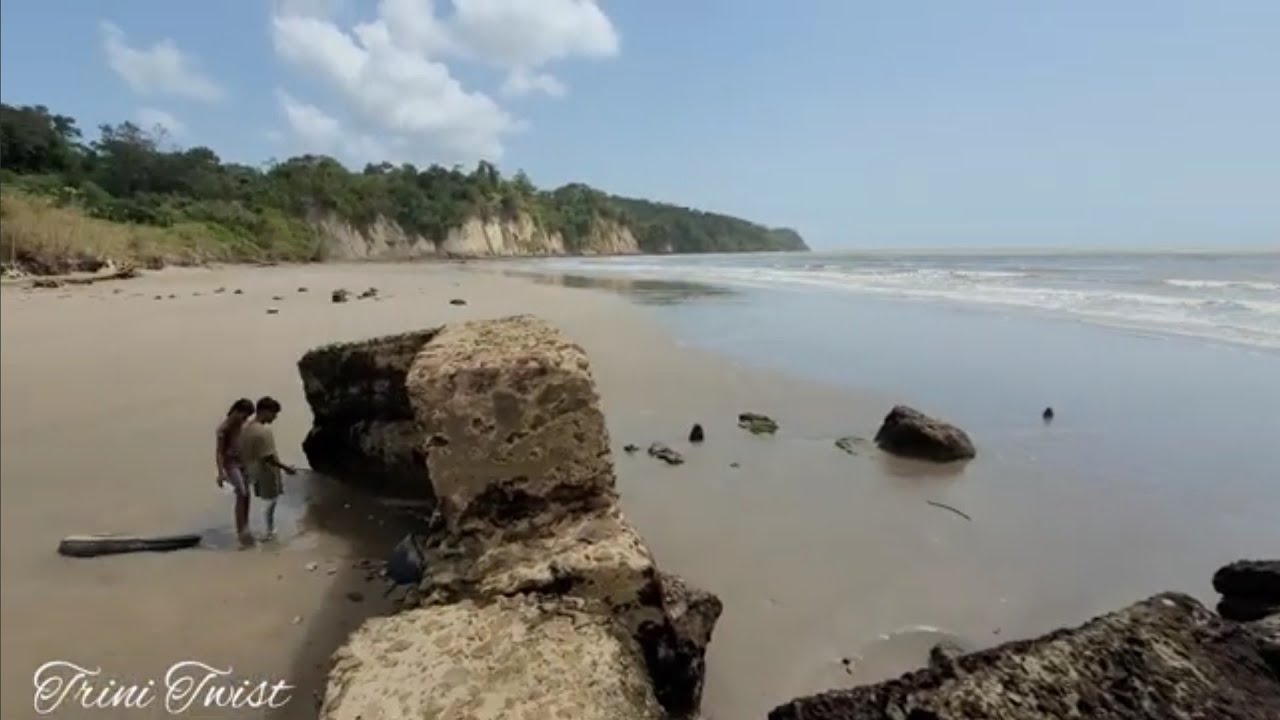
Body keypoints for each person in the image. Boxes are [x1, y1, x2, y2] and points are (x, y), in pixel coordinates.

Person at [237, 396, 298, 542]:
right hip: (265, 471)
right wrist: (286, 468)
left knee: (253, 501)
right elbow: (268, 457)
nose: (275, 417)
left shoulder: (244, 428)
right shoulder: (263, 432)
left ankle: (246, 530)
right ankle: (269, 531)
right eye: (274, 413)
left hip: (249, 469)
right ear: (264, 411)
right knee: (271, 501)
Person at [215, 398, 256, 546]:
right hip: (231, 463)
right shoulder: (223, 429)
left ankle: (246, 524)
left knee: (247, 494)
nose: (245, 419)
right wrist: (220, 473)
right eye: (244, 415)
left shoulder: (242, 425)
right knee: (241, 492)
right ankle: (240, 530)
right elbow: (219, 452)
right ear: (236, 411)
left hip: (243, 461)